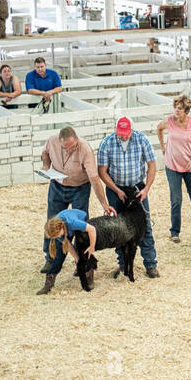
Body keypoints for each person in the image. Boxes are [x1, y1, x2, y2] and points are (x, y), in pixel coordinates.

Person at [38, 125, 115, 294]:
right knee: (52, 224)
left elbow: (94, 178)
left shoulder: (85, 148)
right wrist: (46, 166)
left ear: (76, 139)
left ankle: (83, 263)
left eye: (72, 146)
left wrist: (104, 204)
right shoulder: (51, 140)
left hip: (80, 187)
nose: (69, 150)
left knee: (80, 229)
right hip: (57, 184)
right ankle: (50, 259)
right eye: (66, 147)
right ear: (60, 141)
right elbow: (45, 154)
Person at [96, 115, 159, 279]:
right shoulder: (107, 143)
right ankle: (123, 264)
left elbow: (152, 165)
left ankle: (150, 264)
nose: (122, 135)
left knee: (144, 225)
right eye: (120, 133)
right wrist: (116, 190)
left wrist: (146, 189)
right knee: (118, 227)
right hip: (115, 187)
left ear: (131, 130)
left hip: (137, 187)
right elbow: (102, 171)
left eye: (125, 132)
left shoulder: (141, 139)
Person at [158, 95, 191, 244]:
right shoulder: (169, 120)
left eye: (179, 108)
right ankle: (175, 232)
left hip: (190, 166)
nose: (176, 111)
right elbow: (158, 129)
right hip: (172, 165)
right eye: (175, 108)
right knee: (176, 199)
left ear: (186, 110)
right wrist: (162, 146)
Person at [43, 209, 98, 291]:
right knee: (60, 254)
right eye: (56, 237)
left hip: (81, 219)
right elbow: (67, 245)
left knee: (82, 251)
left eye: (58, 235)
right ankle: (50, 279)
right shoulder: (58, 231)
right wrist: (76, 258)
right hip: (67, 228)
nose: (58, 237)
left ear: (61, 228)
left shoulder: (72, 222)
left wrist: (92, 247)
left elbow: (92, 229)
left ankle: (88, 274)